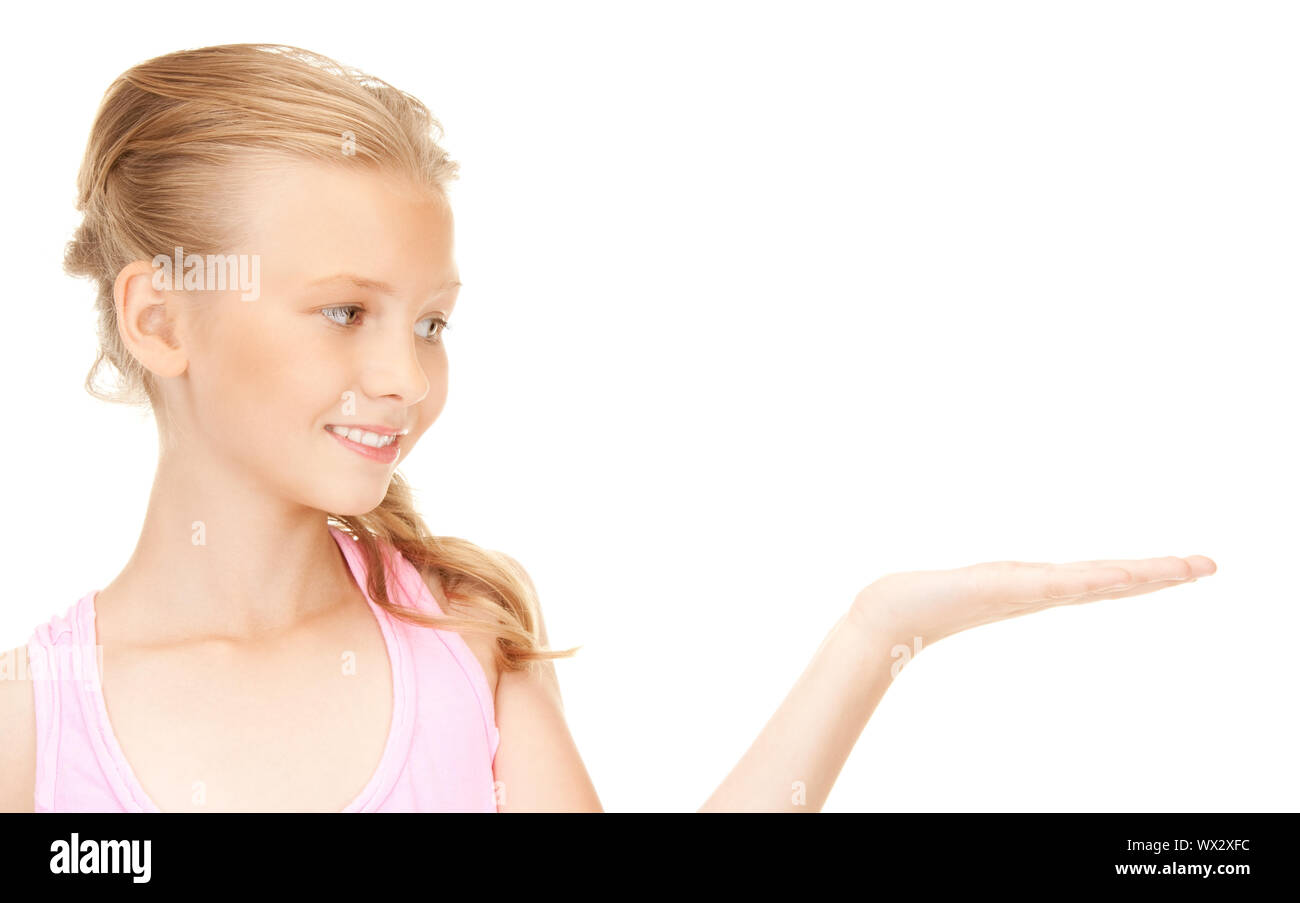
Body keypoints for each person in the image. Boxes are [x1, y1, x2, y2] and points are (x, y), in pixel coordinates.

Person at [0, 43, 1215, 813]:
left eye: (430, 324)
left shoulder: (459, 652)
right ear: (163, 319)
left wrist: (874, 638)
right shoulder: (31, 724)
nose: (404, 378)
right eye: (344, 311)